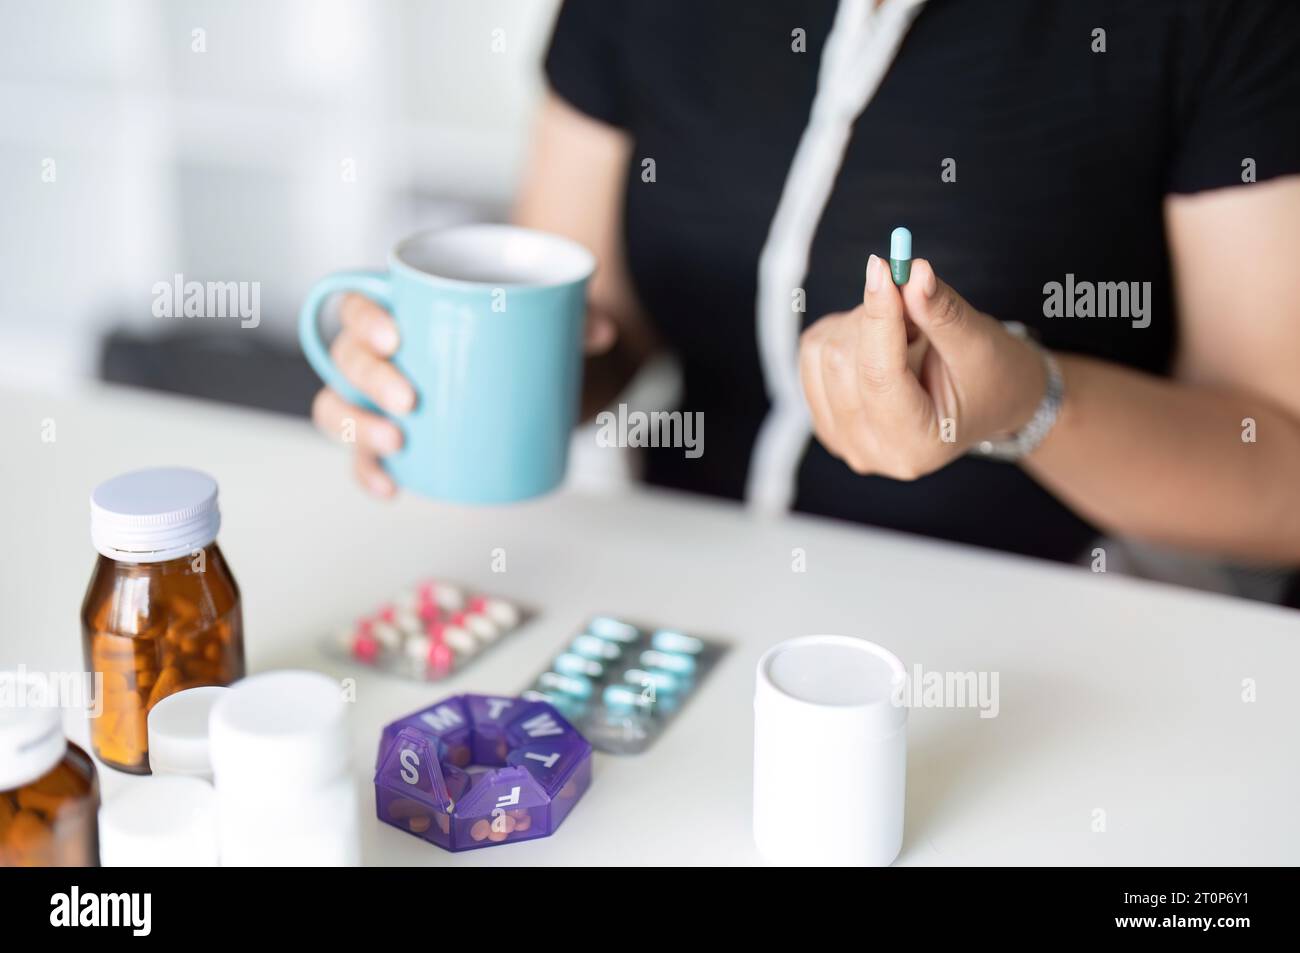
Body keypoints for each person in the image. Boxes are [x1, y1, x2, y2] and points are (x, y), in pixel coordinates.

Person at [310, 0, 1300, 572]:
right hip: (690, 595)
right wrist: (435, 383)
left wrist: (1027, 403)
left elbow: (1281, 475)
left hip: (1052, 637)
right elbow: (593, 327)